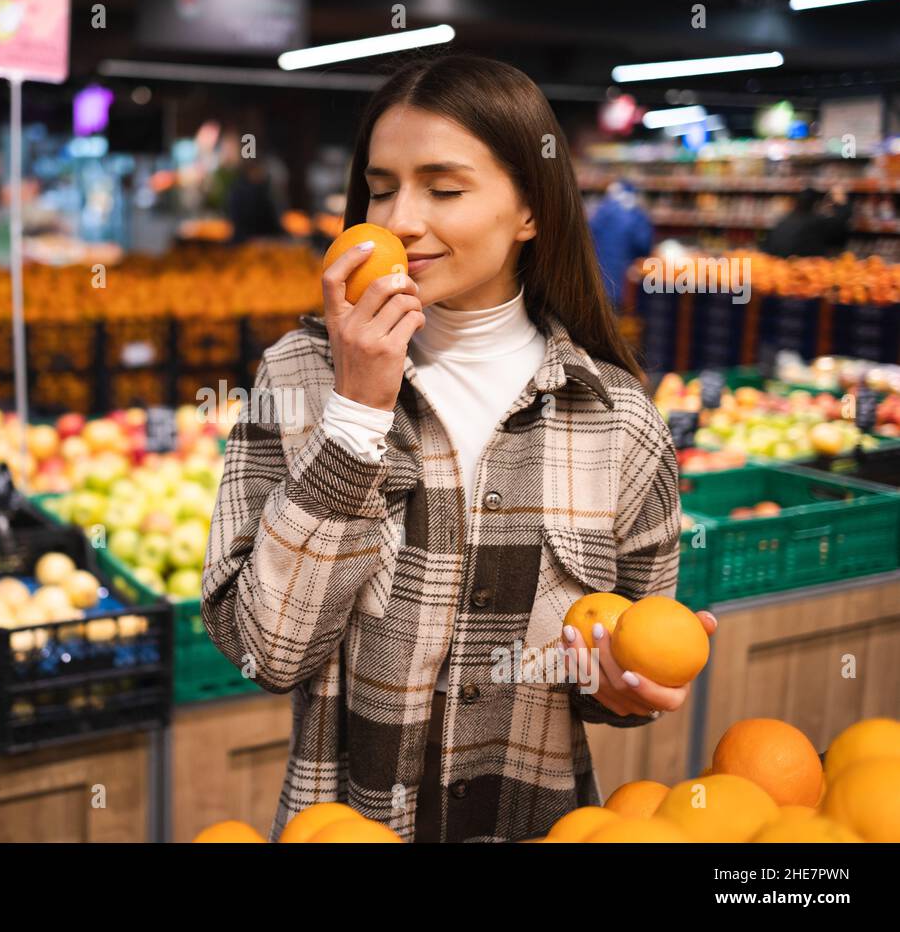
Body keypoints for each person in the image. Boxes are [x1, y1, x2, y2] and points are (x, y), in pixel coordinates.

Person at [201, 54, 715, 843]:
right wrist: (357, 409)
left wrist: (620, 687)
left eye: (444, 189)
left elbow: (622, 661)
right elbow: (268, 652)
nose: (400, 219)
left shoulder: (617, 419)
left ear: (531, 211)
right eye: (380, 187)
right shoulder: (297, 377)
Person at [589, 180, 653, 310]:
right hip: (621, 280)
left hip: (596, 278)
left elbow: (588, 238)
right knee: (617, 316)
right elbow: (643, 245)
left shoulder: (600, 211)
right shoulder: (636, 214)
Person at [762, 185, 854, 258]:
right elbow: (840, 223)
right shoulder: (816, 222)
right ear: (815, 204)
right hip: (804, 270)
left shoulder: (783, 220)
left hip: (780, 269)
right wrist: (841, 203)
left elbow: (767, 246)